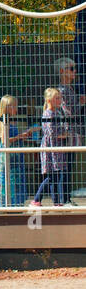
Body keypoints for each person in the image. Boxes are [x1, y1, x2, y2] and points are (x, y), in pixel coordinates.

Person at [31, 87, 70, 207]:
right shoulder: (48, 113)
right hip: (51, 148)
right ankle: (37, 199)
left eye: (60, 98)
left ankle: (56, 201)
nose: (60, 100)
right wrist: (63, 135)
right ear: (49, 100)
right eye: (57, 98)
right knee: (52, 176)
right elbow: (52, 133)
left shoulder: (56, 112)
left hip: (56, 148)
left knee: (55, 175)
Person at [0, 95, 36, 206]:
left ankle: (17, 203)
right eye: (12, 106)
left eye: (15, 105)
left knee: (17, 179)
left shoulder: (13, 121)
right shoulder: (4, 121)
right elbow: (5, 141)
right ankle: (6, 205)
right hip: (8, 156)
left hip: (17, 156)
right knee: (8, 179)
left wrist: (23, 135)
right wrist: (19, 136)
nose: (15, 108)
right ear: (5, 108)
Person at [55, 57, 80, 202]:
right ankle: (64, 199)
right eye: (71, 69)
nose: (74, 71)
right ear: (62, 71)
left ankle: (66, 198)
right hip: (66, 133)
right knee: (65, 167)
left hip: (71, 132)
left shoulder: (70, 89)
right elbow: (69, 112)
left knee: (68, 166)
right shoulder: (62, 90)